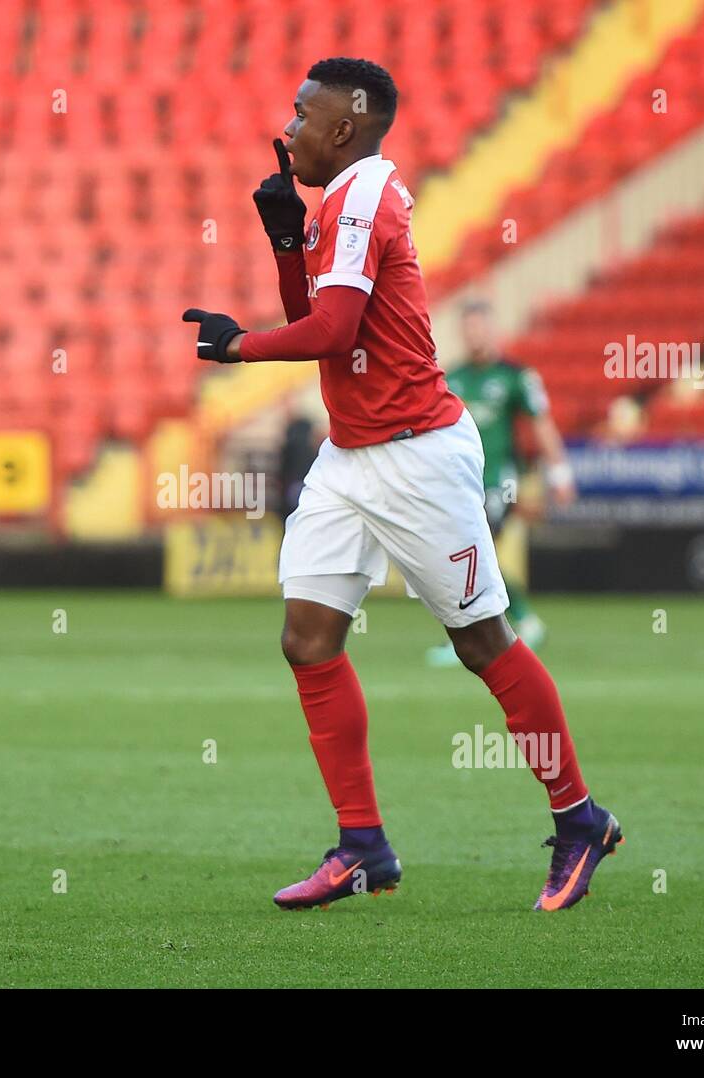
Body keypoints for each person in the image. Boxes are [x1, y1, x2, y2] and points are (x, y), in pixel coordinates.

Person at [182, 58, 621, 911]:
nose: (289, 125)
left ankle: (581, 820)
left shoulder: (363, 199)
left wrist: (239, 347)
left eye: (301, 112)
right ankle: (363, 847)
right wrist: (283, 240)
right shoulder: (336, 202)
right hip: (351, 455)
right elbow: (324, 320)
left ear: (342, 126)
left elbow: (333, 327)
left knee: (482, 644)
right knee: (307, 638)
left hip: (418, 454)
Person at [426, 297, 576, 666]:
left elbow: (540, 423)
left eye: (480, 326)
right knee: (473, 559)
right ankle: (513, 624)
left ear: (493, 329)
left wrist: (559, 473)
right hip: (460, 484)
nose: (474, 334)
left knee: (470, 556)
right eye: (468, 327)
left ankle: (489, 632)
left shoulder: (515, 376)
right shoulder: (453, 378)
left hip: (497, 482)